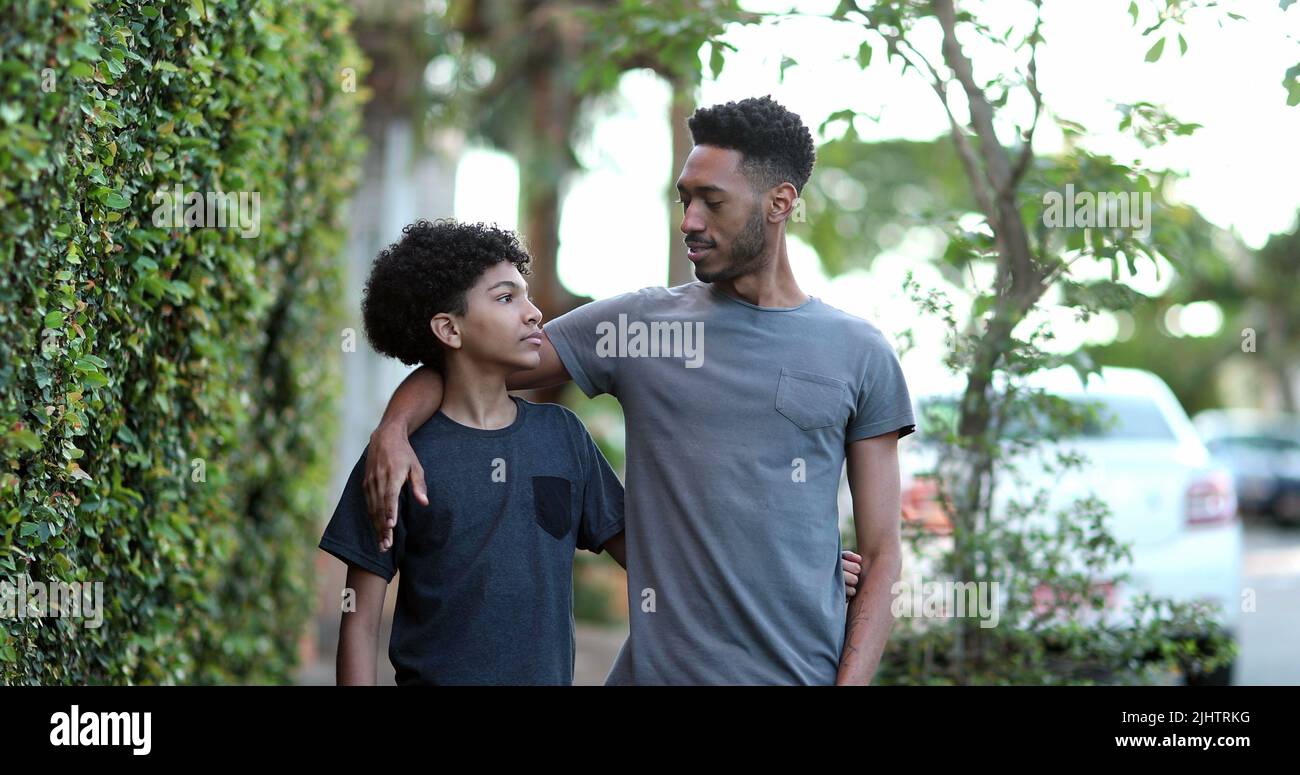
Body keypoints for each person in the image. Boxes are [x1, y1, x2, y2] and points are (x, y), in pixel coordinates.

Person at [363, 97, 912, 685]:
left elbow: (881, 556)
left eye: (712, 202)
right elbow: (467, 358)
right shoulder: (638, 328)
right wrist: (392, 432)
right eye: (685, 199)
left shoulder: (860, 354)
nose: (690, 221)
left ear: (780, 203)